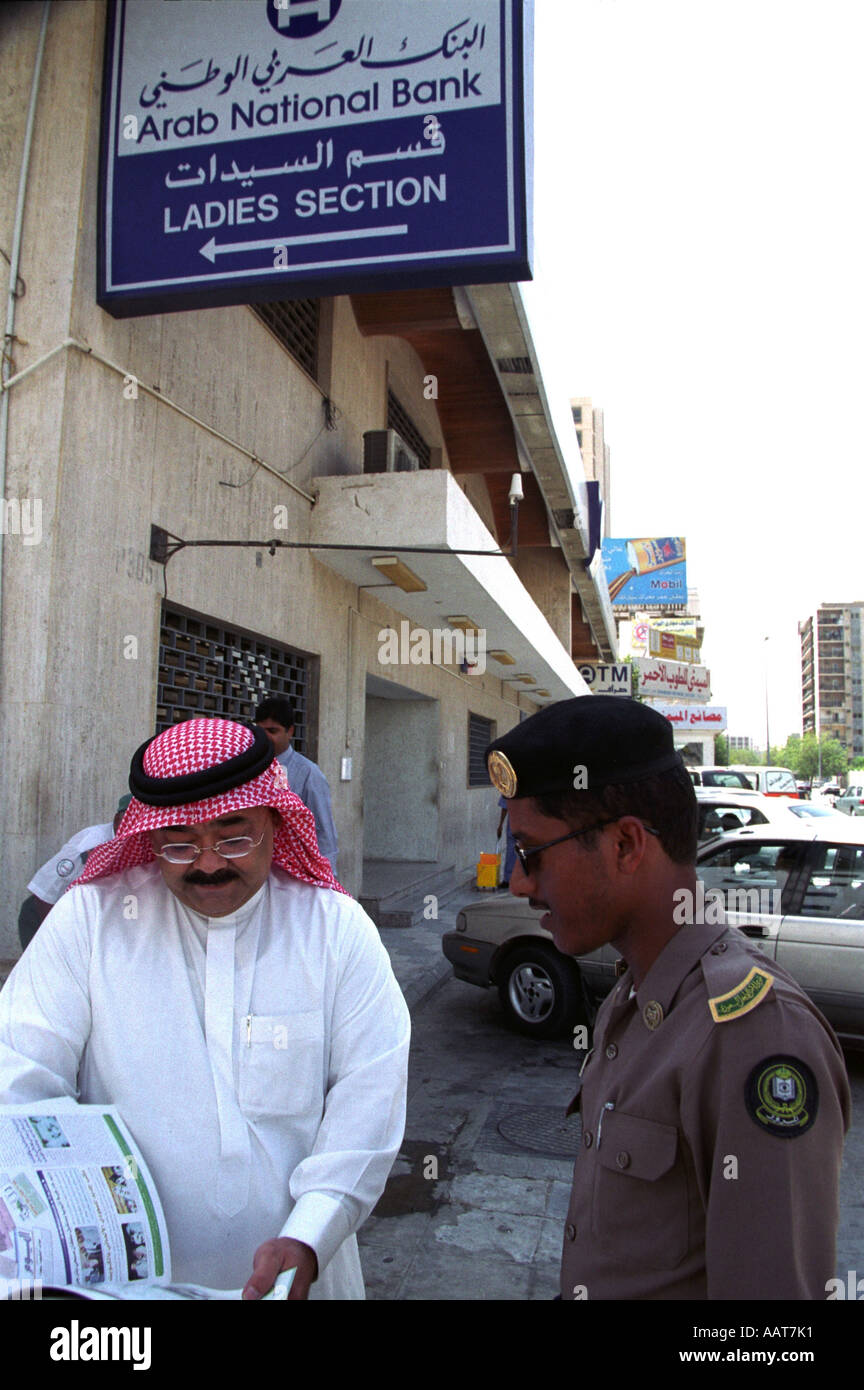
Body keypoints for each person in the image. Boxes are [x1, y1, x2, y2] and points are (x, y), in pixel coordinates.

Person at [0, 718, 410, 1298]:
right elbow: (17, 1071)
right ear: (148, 837)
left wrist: (315, 1230)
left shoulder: (335, 929)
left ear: (273, 819)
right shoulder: (90, 920)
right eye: (179, 841)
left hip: (296, 1281)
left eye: (233, 834)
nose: (209, 862)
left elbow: (371, 1098)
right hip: (118, 1289)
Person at [485, 696, 851, 1301]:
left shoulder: (755, 1032)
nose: (519, 882)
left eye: (530, 853)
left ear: (627, 845)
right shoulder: (634, 993)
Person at [17, 795, 133, 949]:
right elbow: (45, 891)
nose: (134, 825)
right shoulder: (90, 843)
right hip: (45, 913)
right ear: (117, 818)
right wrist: (55, 940)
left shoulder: (141, 843)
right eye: (129, 819)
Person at [255, 697, 338, 872]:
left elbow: (323, 829)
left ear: (290, 731)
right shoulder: (249, 768)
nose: (266, 737)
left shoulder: (308, 773)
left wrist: (327, 877)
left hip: (293, 872)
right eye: (261, 731)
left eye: (273, 730)